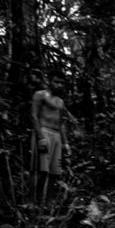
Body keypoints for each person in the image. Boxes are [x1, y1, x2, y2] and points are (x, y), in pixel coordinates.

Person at [31, 77, 79, 206]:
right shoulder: (40, 95)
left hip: (57, 135)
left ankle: (48, 202)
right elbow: (34, 115)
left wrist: (66, 143)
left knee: (54, 171)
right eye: (56, 81)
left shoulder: (60, 102)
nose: (58, 85)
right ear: (49, 81)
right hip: (44, 131)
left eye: (61, 83)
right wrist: (40, 137)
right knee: (41, 170)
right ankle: (35, 201)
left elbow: (62, 123)